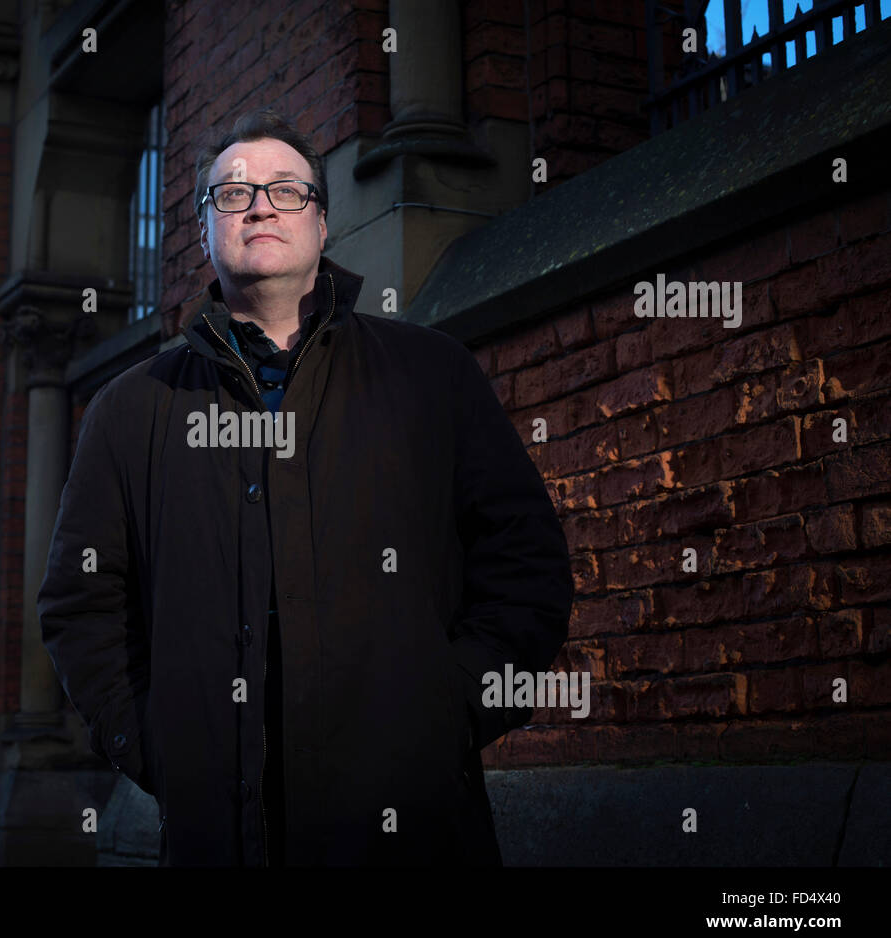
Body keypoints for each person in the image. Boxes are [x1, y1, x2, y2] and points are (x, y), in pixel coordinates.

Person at [38, 108, 574, 866]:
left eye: (287, 190)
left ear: (322, 224)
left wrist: (447, 709)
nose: (260, 205)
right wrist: (154, 743)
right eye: (233, 193)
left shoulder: (430, 374)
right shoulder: (132, 409)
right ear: (203, 232)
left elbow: (527, 564)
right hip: (217, 836)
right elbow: (79, 603)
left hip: (411, 828)